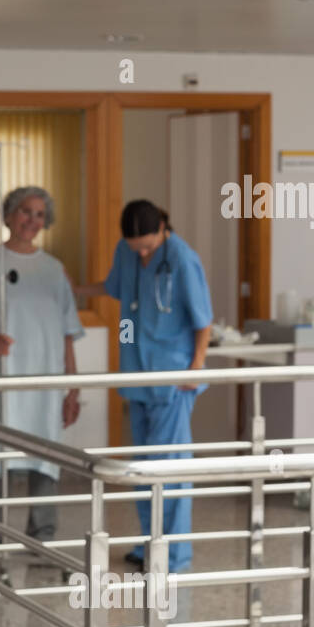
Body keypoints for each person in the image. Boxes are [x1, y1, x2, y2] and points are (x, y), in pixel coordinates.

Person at [73, 200, 213, 573]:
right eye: (137, 249)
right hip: (136, 372)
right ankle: (149, 543)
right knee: (143, 468)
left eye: (149, 247)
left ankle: (173, 554)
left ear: (163, 228)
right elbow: (117, 287)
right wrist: (74, 290)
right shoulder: (126, 250)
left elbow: (204, 321)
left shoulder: (182, 258)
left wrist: (195, 367)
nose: (143, 254)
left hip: (173, 378)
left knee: (168, 467)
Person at [0, 186, 83, 551]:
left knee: (46, 454)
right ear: (8, 215)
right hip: (0, 379)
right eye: (25, 211)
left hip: (45, 380)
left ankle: (43, 536)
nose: (31, 221)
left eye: (39, 214)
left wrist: (73, 389)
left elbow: (68, 335)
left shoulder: (54, 272)